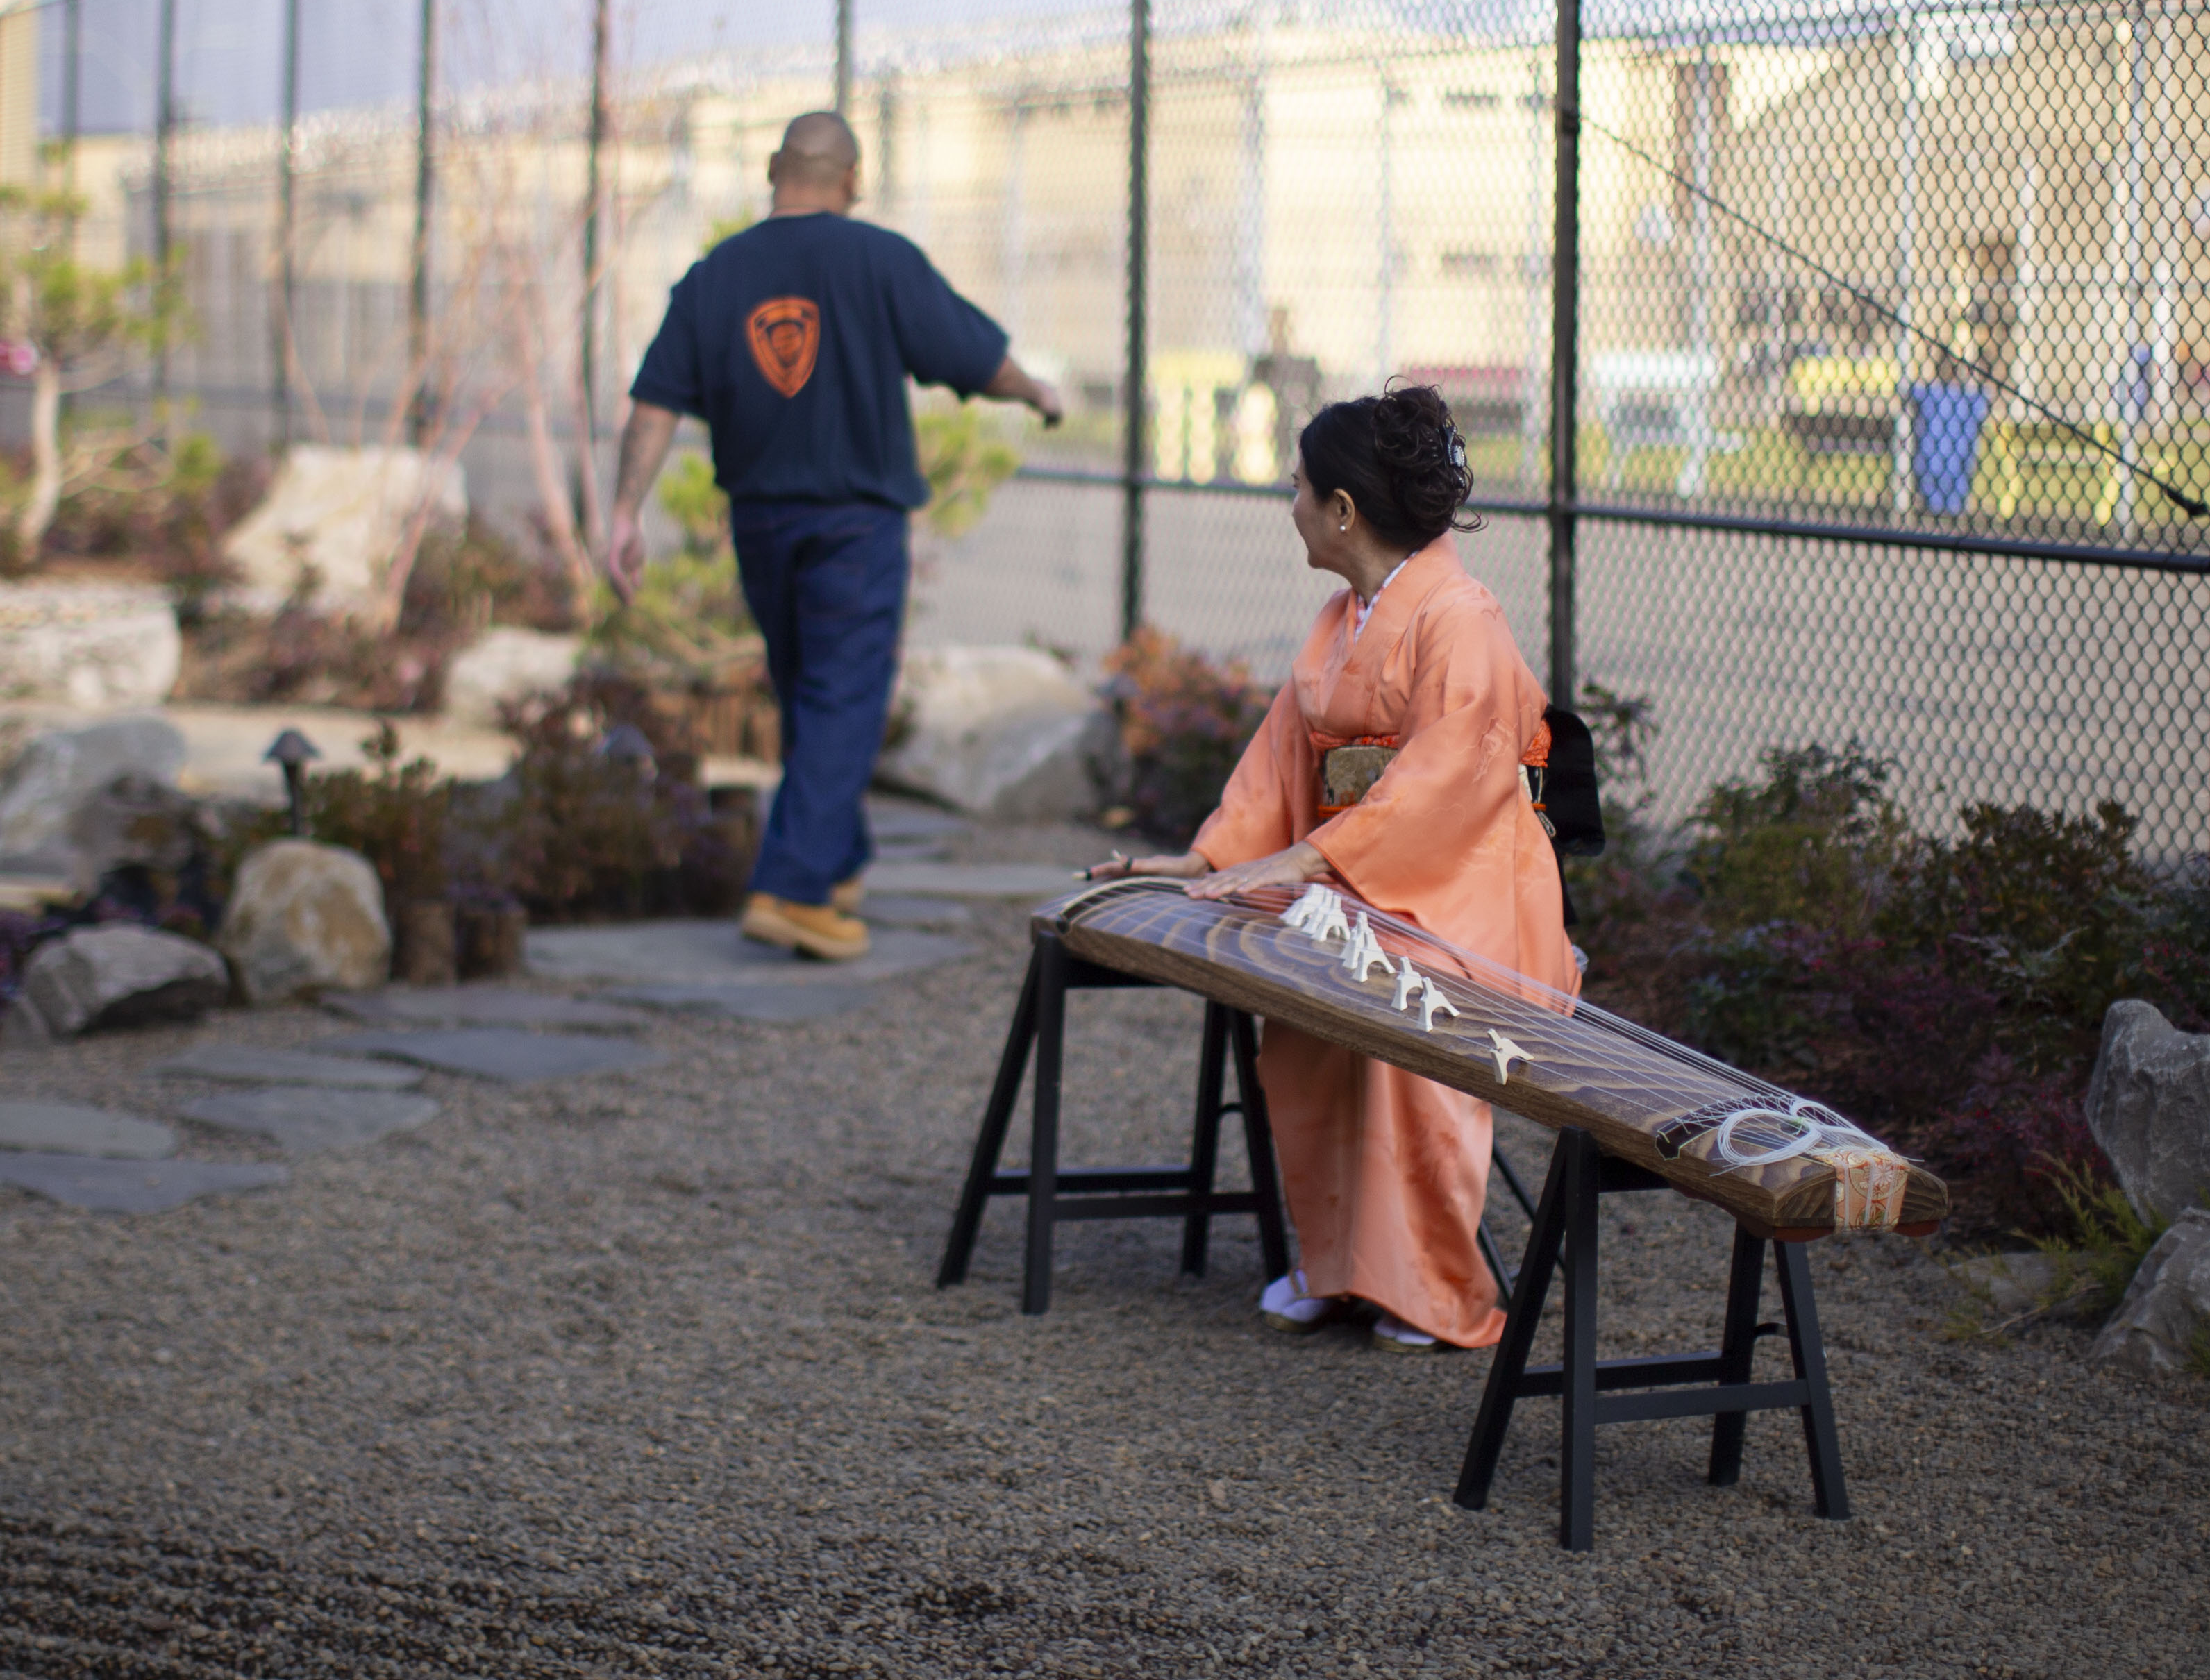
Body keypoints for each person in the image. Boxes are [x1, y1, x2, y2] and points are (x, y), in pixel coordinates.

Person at [1082, 383, 1572, 1351]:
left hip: (1465, 899)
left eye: (1299, 487)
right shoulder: (1343, 614)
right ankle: (1337, 1266)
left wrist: (1312, 856)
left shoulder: (1460, 615)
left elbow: (1452, 777)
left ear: (1341, 511)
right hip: (1363, 879)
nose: (1291, 504)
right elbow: (1280, 758)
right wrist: (1205, 856)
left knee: (1404, 1049)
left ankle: (1432, 1288)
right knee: (1304, 1039)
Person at [608, 112, 1064, 962]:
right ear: (852, 179)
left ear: (774, 171)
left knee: (810, 696)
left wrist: (625, 513)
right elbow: (973, 357)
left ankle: (838, 860)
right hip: (854, 522)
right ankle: (793, 890)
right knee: (845, 698)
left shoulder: (715, 275)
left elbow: (654, 401)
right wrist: (1037, 392)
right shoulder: (879, 260)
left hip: (760, 522)